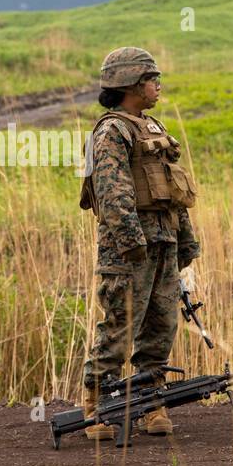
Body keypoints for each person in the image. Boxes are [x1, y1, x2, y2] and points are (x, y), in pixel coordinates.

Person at [78, 47, 201, 440]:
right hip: (129, 249)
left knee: (160, 326)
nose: (158, 85)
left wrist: (185, 241)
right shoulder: (111, 131)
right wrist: (133, 244)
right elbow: (113, 194)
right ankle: (96, 408)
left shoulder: (154, 128)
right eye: (152, 79)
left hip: (163, 241)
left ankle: (150, 403)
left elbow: (172, 191)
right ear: (131, 84)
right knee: (119, 326)